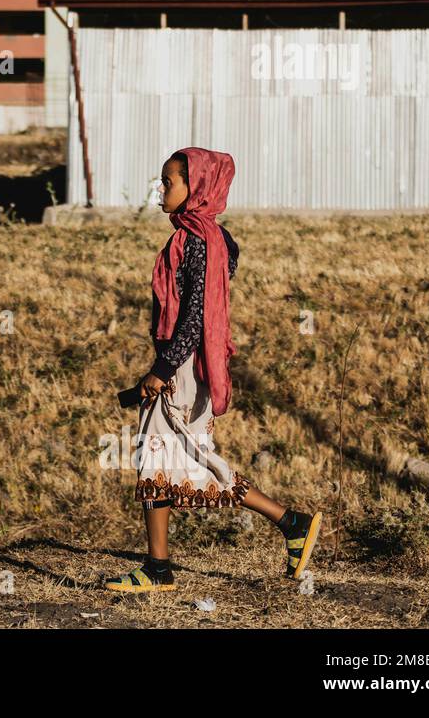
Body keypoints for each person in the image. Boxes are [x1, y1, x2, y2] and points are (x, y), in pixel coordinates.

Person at [105, 147, 322, 593]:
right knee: (172, 459)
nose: (160, 190)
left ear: (196, 187)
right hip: (183, 364)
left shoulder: (200, 243)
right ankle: (287, 524)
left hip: (181, 367)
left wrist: (162, 369)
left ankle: (161, 568)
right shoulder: (203, 239)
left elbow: (195, 317)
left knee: (164, 458)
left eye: (169, 182)